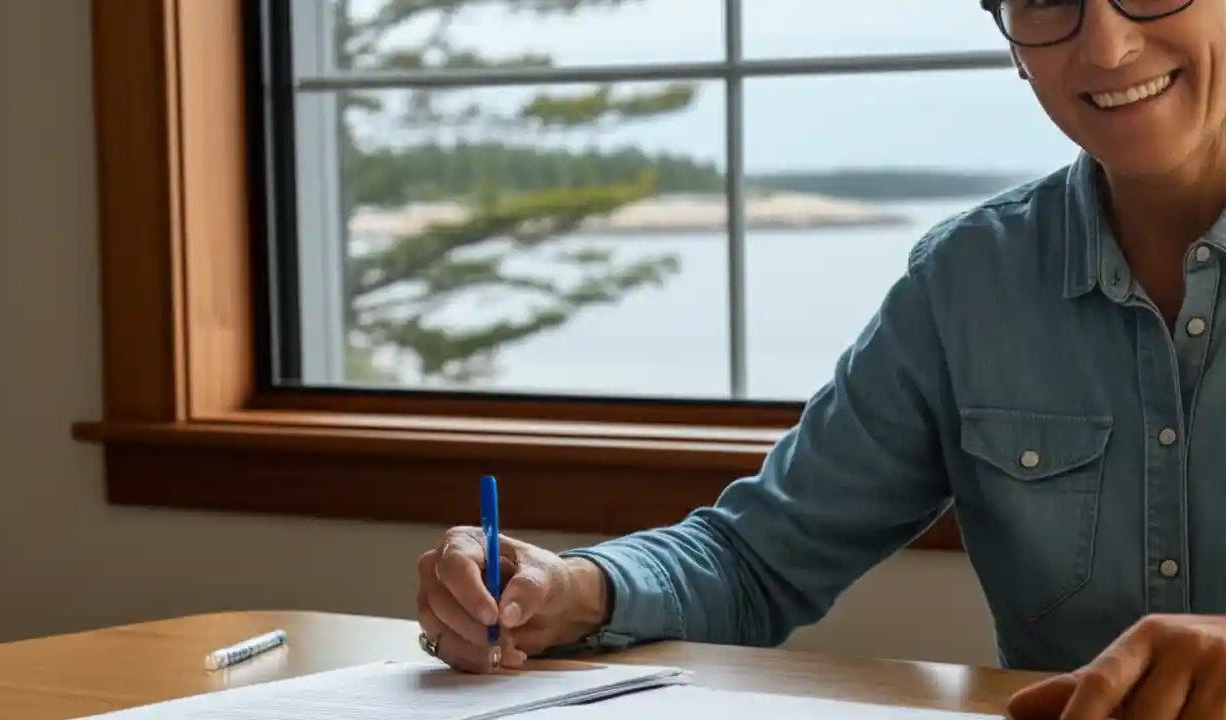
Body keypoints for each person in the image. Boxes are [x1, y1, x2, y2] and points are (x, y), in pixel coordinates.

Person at [416, 0, 1226, 717]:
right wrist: (571, 591)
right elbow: (755, 560)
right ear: (1011, 40)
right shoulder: (967, 283)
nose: (1109, 45)